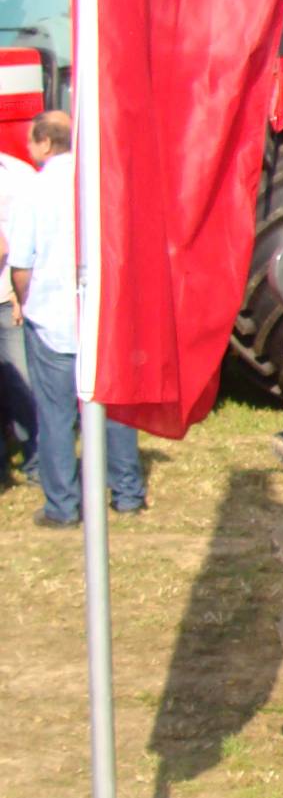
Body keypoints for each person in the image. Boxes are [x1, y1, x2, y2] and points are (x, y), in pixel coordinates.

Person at [8, 110, 145, 526]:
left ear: (46, 144)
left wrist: (23, 299)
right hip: (105, 315)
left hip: (52, 319)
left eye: (32, 142)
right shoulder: (102, 183)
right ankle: (127, 493)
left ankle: (63, 506)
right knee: (113, 407)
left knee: (55, 415)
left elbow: (21, 264)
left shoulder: (35, 188)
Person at [0, 148, 39, 485]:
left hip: (7, 295)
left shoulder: (21, 175)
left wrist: (20, 293)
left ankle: (35, 460)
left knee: (22, 384)